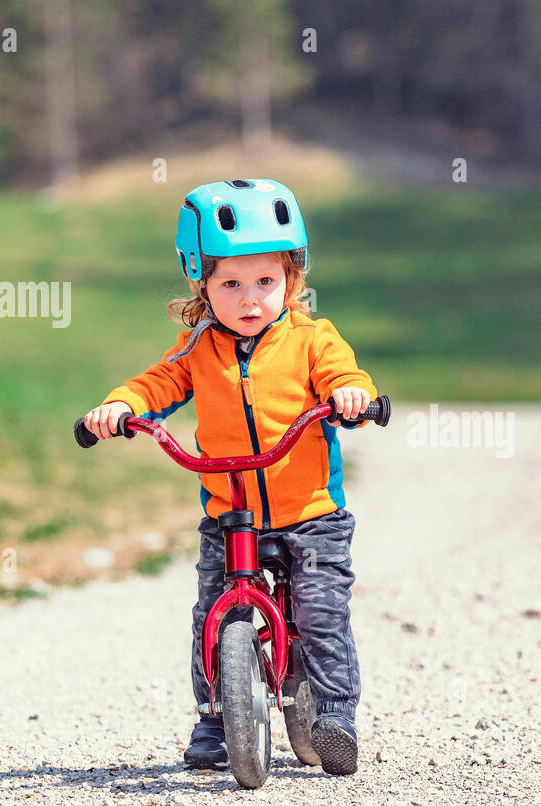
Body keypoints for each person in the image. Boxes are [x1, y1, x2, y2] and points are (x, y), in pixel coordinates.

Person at [81, 178, 376, 775]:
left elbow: (347, 374)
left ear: (291, 279)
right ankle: (216, 718)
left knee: (321, 611)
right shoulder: (198, 348)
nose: (249, 299)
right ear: (203, 284)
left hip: (310, 514)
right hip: (230, 514)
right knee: (211, 612)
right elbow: (154, 386)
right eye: (231, 284)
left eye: (265, 282)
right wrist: (119, 407)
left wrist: (350, 395)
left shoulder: (312, 340)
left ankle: (335, 717)